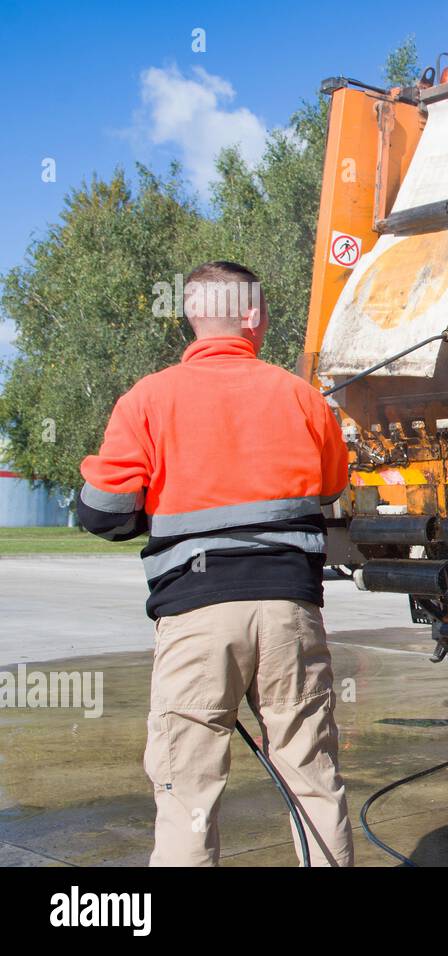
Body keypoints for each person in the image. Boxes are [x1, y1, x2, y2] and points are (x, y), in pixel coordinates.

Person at [78, 261, 354, 867]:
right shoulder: (300, 396)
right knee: (311, 778)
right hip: (289, 611)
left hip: (195, 617)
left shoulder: (147, 399)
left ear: (192, 316)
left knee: (188, 798)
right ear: (252, 315)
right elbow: (333, 486)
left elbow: (101, 511)